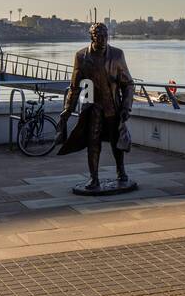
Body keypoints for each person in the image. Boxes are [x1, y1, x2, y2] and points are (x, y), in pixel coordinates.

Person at [56, 23, 134, 191]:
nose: (104, 39)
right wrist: (67, 110)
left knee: (116, 142)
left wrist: (126, 107)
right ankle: (94, 178)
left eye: (106, 36)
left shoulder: (117, 55)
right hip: (93, 108)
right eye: (100, 37)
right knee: (93, 143)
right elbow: (74, 87)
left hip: (113, 107)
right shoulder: (82, 56)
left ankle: (121, 173)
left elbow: (128, 84)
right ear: (92, 37)